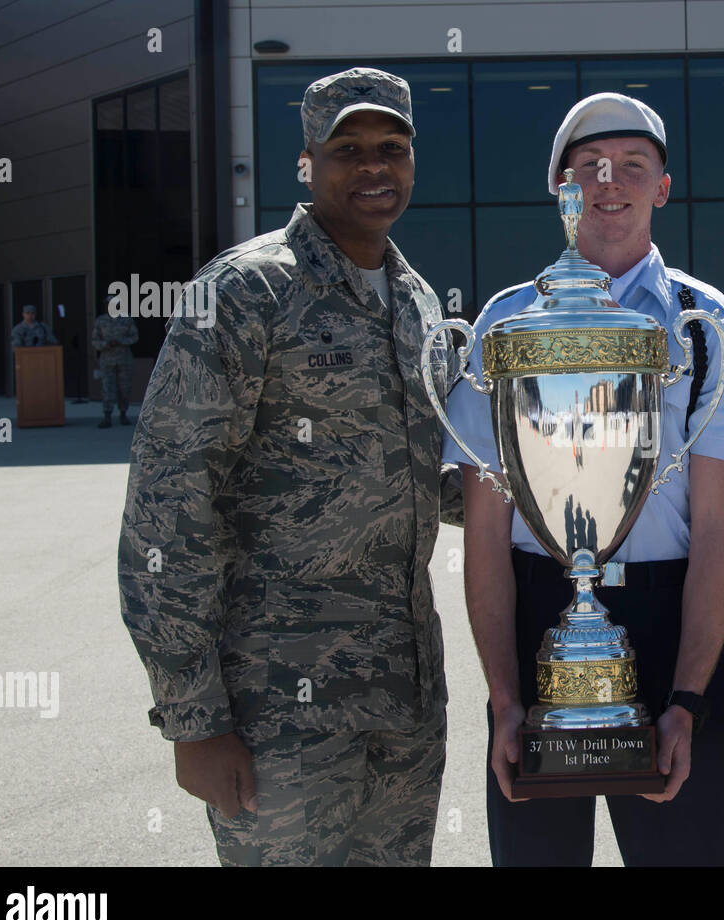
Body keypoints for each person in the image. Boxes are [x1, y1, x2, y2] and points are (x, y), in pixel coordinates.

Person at [119, 67, 458, 866]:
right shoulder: (246, 292)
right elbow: (168, 503)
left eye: (392, 147)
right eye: (347, 149)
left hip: (404, 705)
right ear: (308, 162)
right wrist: (193, 717)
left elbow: (426, 474)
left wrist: (561, 493)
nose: (373, 166)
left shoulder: (416, 302)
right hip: (278, 712)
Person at [444, 92, 724, 866]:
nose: (608, 183)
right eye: (588, 168)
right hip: (536, 619)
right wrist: (506, 697)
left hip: (670, 622)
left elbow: (718, 531)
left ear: (662, 185)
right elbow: (486, 534)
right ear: (562, 188)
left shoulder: (705, 323)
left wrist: (688, 700)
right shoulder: (504, 326)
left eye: (631, 166)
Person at [91, 293, 139, 428]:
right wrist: (105, 344)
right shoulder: (100, 321)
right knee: (107, 388)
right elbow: (94, 340)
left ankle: (123, 413)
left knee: (125, 388)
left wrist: (121, 342)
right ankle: (107, 415)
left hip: (124, 359)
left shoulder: (127, 319)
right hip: (107, 360)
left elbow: (135, 337)